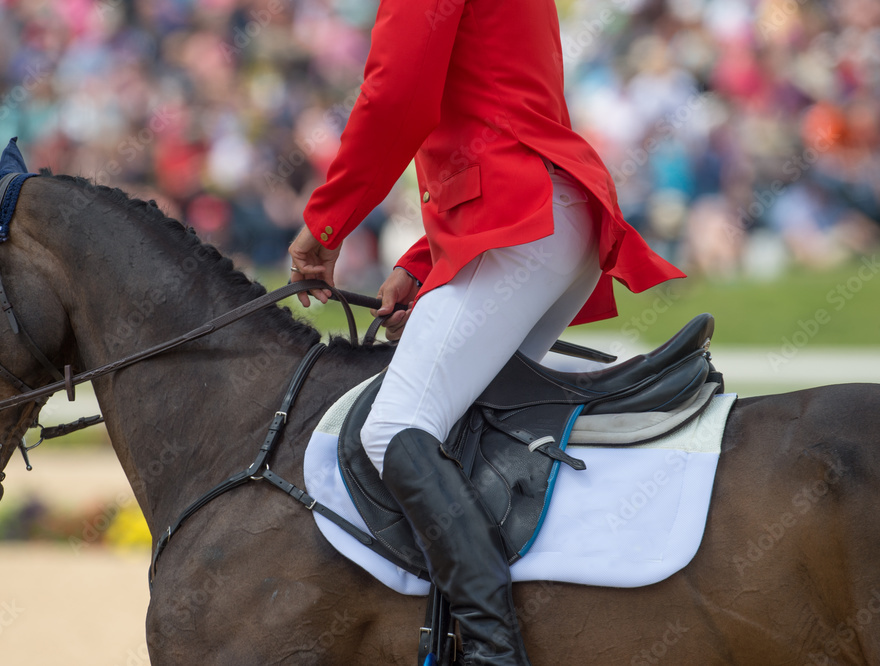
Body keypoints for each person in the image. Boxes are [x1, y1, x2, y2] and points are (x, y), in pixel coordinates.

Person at [288, 0, 684, 661]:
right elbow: (507, 108)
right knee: (465, 421)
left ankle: (495, 652)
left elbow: (398, 100)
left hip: (517, 219)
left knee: (394, 429)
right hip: (544, 211)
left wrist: (328, 222)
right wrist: (424, 263)